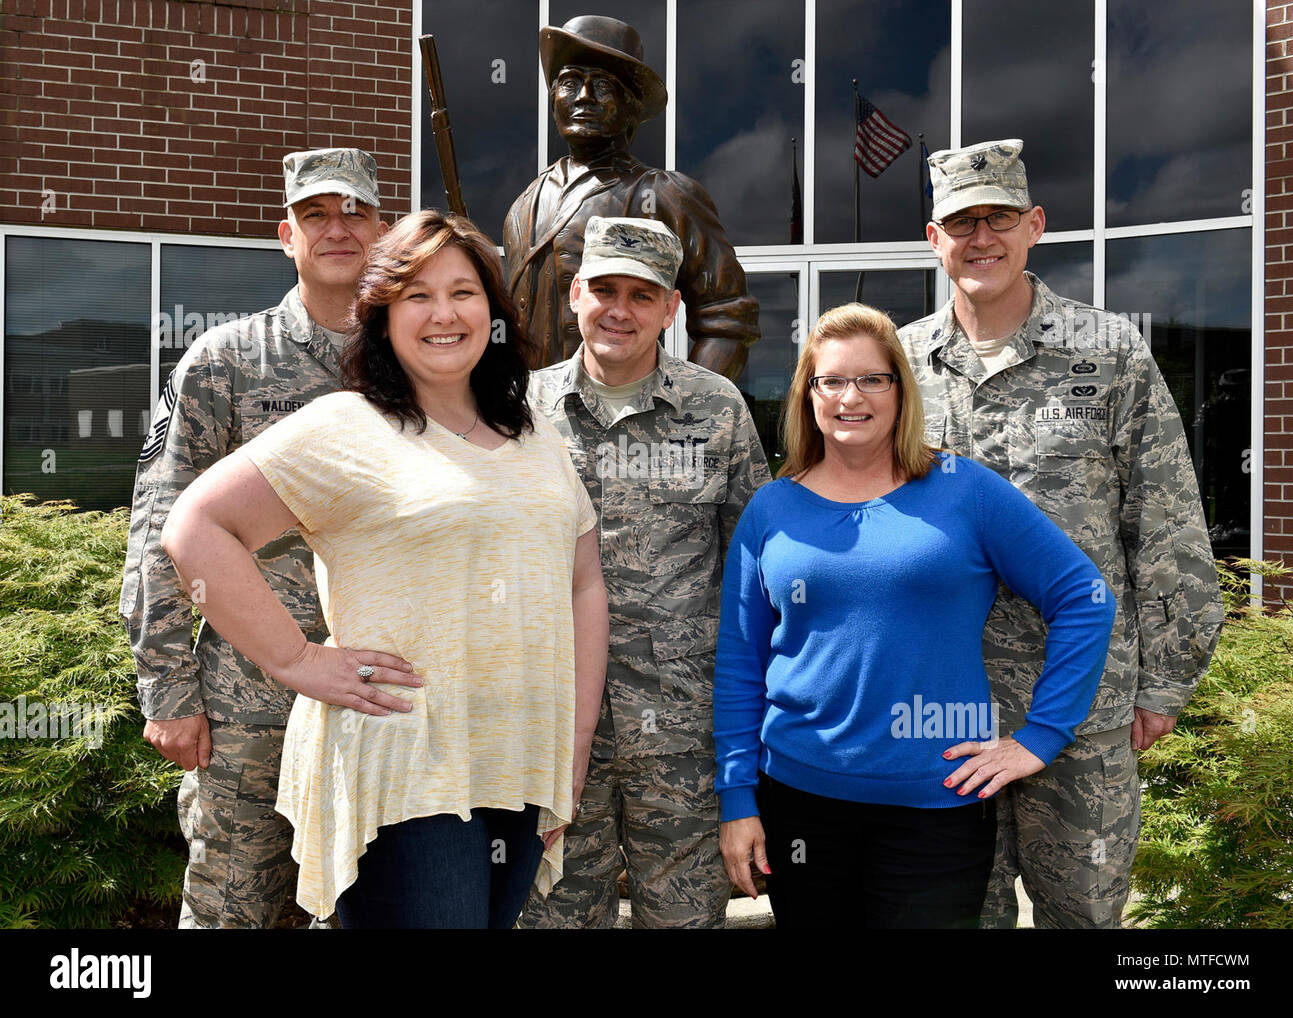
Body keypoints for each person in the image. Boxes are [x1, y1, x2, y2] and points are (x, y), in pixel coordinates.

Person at [157, 209, 608, 928]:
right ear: (382, 313)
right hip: (406, 768)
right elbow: (195, 527)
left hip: (518, 761)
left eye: (463, 292)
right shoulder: (347, 425)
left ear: (491, 310)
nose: (443, 314)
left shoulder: (532, 432)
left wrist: (572, 749)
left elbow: (583, 578)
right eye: (416, 294)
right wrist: (299, 659)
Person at [897, 138, 1224, 928]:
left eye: (999, 217)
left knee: (1082, 914)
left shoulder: (1108, 353)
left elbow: (1167, 520)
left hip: (1083, 703)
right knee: (952, 914)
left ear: (1035, 224)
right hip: (945, 707)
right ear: (932, 238)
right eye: (961, 221)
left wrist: (1166, 680)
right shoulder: (898, 364)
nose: (982, 238)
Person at [714, 303, 1117, 929]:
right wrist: (738, 798)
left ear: (901, 390)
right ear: (808, 394)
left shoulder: (963, 489)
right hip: (798, 803)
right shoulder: (772, 508)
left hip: (936, 807)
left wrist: (1041, 737)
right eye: (833, 380)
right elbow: (741, 666)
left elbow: (1085, 599)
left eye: (873, 379)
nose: (852, 397)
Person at [119, 147, 389, 928]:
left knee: (371, 911)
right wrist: (167, 691)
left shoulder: (417, 361)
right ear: (286, 235)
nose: (336, 228)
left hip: (381, 699)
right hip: (247, 706)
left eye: (354, 213)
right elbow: (158, 525)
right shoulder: (226, 360)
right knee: (232, 913)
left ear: (382, 229)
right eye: (315, 215)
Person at [518, 216, 770, 929]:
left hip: (683, 738)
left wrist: (743, 754)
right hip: (557, 734)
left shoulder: (716, 409)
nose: (619, 309)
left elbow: (753, 575)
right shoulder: (523, 413)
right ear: (575, 294)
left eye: (642, 294)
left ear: (670, 309)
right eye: (604, 289)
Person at [503, 14, 759, 380]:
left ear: (631, 106)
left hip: (627, 421)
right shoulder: (523, 206)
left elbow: (728, 318)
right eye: (570, 82)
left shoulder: (667, 196)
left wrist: (684, 415)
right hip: (535, 424)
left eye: (603, 85)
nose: (584, 97)